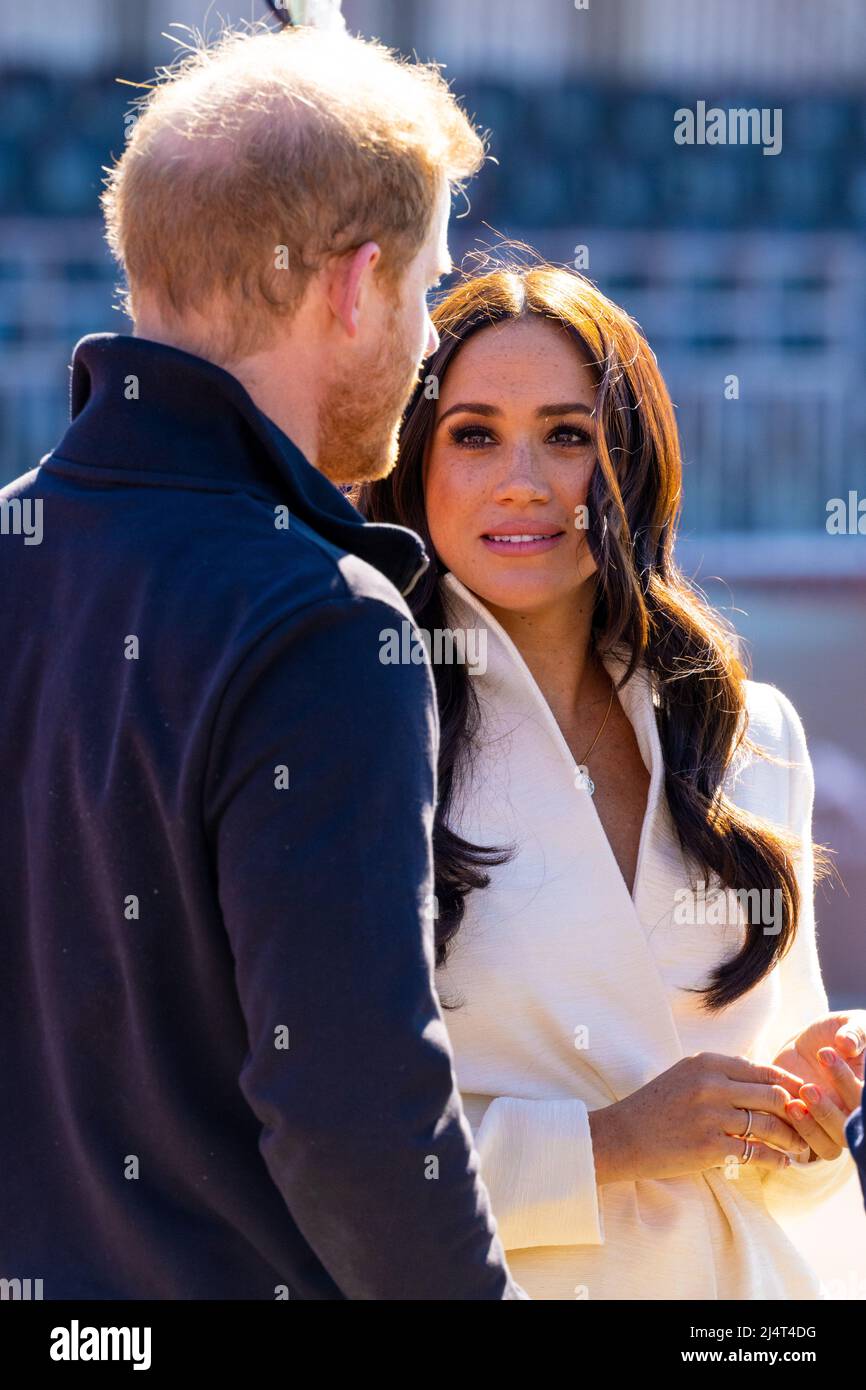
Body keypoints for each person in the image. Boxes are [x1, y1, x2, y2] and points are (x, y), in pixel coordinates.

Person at [0, 24, 527, 1300]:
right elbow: (354, 1115)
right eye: (419, 291)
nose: (421, 343)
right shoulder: (322, 620)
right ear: (352, 288)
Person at [358, 260, 865, 1299]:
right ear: (413, 463)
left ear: (627, 464)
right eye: (473, 434)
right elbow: (325, 1142)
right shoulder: (361, 731)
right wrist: (606, 1144)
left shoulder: (752, 736)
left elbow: (770, 1129)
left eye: (566, 435)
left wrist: (806, 1115)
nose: (522, 481)